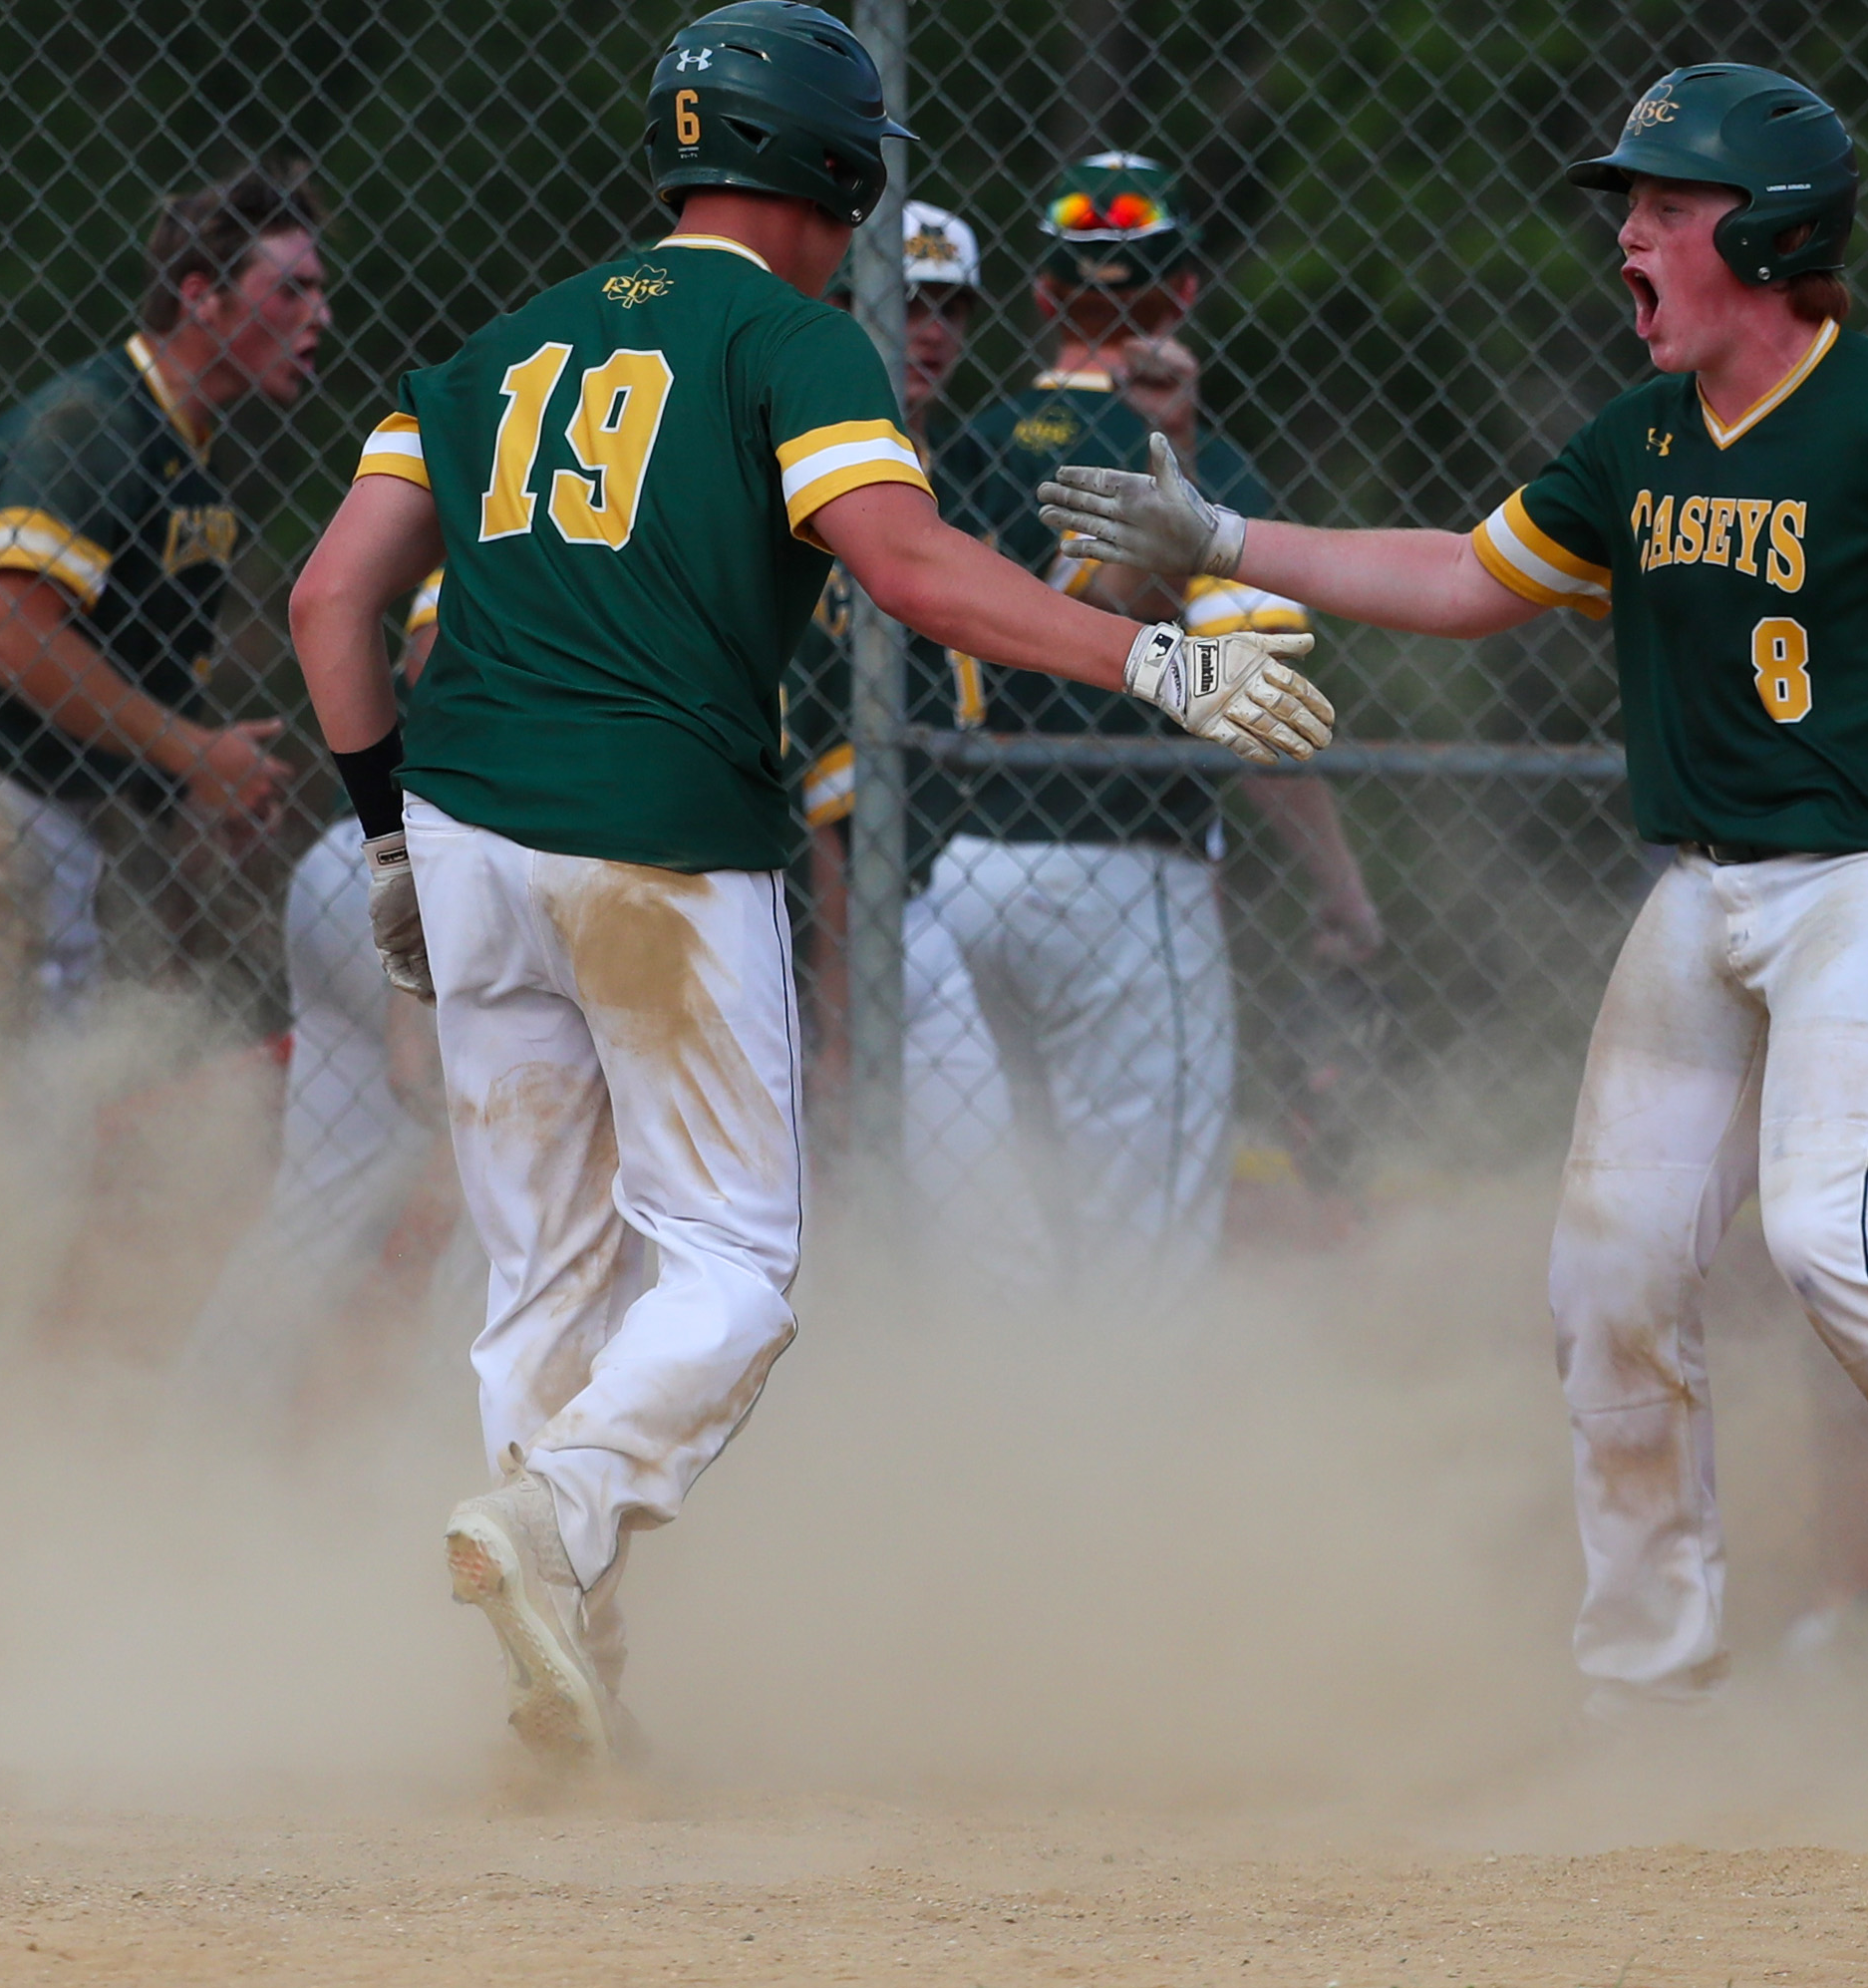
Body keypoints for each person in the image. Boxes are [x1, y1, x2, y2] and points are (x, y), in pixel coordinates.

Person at [1043, 65, 1868, 1803]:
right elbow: (1464, 577)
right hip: (1713, 884)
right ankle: (1651, 1690)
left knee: (1836, 1232)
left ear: (1769, 234)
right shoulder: (1645, 439)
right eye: (1633, 205)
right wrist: (1221, 533)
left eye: (1666, 205)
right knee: (1607, 1276)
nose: (1631, 235)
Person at [287, 0, 1331, 1768]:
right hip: (654, 833)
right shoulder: (793, 341)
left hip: (460, 821)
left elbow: (334, 600)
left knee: (542, 1268)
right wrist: (1153, 664)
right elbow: (912, 566)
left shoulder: (489, 353)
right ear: (837, 173)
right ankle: (561, 1517)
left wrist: (387, 834)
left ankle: (571, 1663)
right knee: (735, 1264)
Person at [932, 151, 1384, 1300]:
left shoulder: (969, 445)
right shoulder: (1206, 473)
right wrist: (1340, 886)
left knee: (991, 1224)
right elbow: (1255, 714)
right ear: (1184, 295)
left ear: (1041, 299)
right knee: (1140, 1253)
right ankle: (1121, 1457)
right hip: (1125, 877)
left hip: (952, 873)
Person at [0, 166, 318, 1112]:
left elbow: (112, 674)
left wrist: (194, 776)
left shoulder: (189, 461)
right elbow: (10, 639)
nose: (321, 314)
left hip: (43, 814)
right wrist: (195, 751)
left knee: (29, 1146)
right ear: (200, 296)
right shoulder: (94, 421)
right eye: (290, 286)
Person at [790, 200, 1043, 1266]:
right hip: (849, 914)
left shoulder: (977, 478)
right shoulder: (816, 488)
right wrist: (842, 1017)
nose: (927, 328)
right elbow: (832, 796)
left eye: (950, 305)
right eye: (898, 301)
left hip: (976, 887)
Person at [182, 575, 464, 1427]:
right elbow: (435, 658)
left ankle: (190, 1455)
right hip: (426, 870)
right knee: (515, 1212)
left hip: (345, 867)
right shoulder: (594, 475)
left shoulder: (494, 457)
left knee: (319, 1199)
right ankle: (446, 1480)